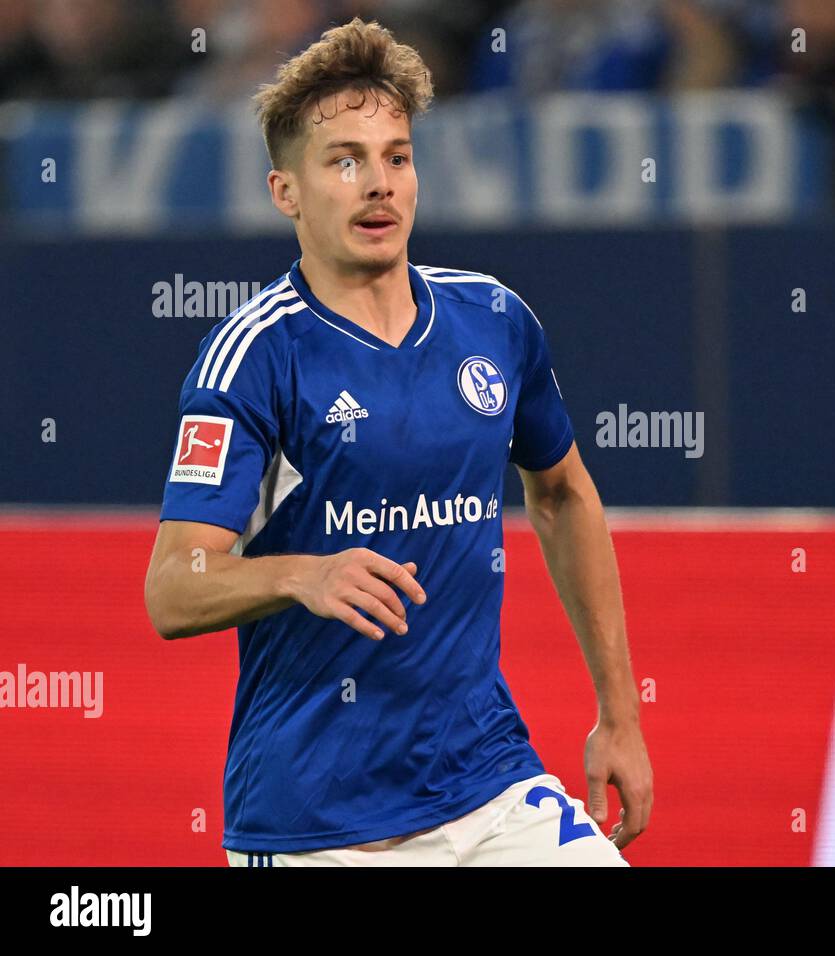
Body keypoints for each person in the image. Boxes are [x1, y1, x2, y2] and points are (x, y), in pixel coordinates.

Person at [143, 17, 651, 867]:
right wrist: (307, 573)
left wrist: (620, 715)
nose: (378, 184)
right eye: (344, 160)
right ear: (286, 192)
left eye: (397, 156)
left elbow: (561, 493)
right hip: (318, 824)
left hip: (489, 784)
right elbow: (171, 589)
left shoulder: (492, 320)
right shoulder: (253, 358)